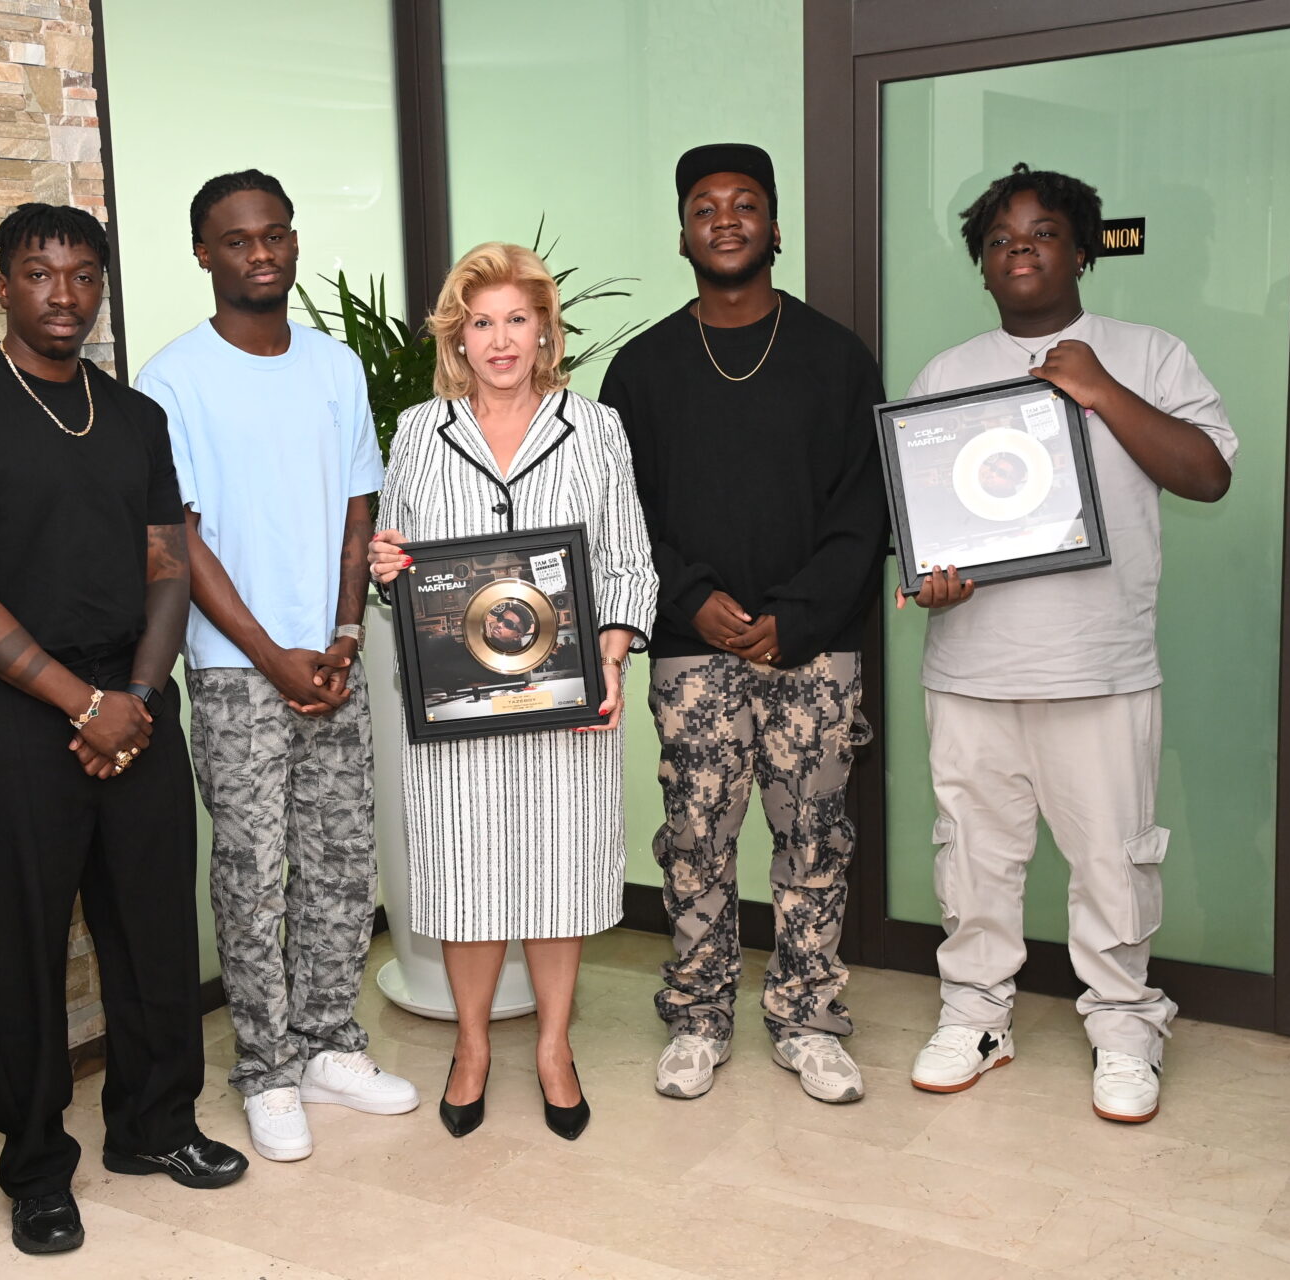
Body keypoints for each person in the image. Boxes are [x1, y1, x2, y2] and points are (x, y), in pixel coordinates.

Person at [0, 203, 247, 1257]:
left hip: (131, 698)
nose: (64, 296)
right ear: (1, 282)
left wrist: (132, 696)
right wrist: (80, 704)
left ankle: (155, 1122)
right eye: (41, 275)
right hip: (15, 714)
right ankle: (37, 1163)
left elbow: (167, 562)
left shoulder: (132, 416)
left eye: (84, 275)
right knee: (20, 945)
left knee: (151, 930)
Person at [899, 165, 1234, 1123]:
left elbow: (1207, 474)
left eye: (1043, 233)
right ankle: (976, 1016)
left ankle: (1126, 1028)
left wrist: (1095, 386)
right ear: (983, 265)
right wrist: (933, 583)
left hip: (1101, 665)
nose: (1022, 251)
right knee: (972, 859)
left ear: (1081, 249)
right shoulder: (945, 375)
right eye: (1002, 240)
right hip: (971, 668)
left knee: (1113, 864)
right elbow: (927, 524)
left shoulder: (1148, 353)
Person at [135, 169, 416, 1165]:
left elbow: (356, 512)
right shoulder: (173, 380)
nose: (261, 252)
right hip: (233, 668)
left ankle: (332, 1042)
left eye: (276, 234)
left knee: (342, 858)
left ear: (294, 241)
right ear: (203, 252)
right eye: (237, 238)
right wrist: (273, 656)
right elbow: (183, 540)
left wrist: (342, 637)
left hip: (330, 658)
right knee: (254, 870)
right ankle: (266, 1067)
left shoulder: (336, 368)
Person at [601, 143, 887, 1106]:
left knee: (814, 838)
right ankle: (698, 1016)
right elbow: (622, 512)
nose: (725, 219)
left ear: (775, 225)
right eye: (704, 206)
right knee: (695, 840)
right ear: (681, 230)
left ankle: (808, 1018)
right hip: (693, 653)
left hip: (816, 649)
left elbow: (866, 512)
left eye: (746, 204)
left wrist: (792, 614)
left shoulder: (837, 357)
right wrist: (692, 599)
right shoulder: (640, 371)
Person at [368, 242, 657, 1141]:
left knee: (560, 874)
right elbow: (396, 558)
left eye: (517, 321)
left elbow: (628, 561)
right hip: (459, 707)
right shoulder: (421, 429)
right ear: (460, 337)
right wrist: (385, 566)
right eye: (482, 323)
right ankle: (471, 1048)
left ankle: (554, 1048)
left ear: (545, 331)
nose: (500, 341)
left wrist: (610, 653)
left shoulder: (596, 426)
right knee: (464, 875)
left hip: (566, 701)